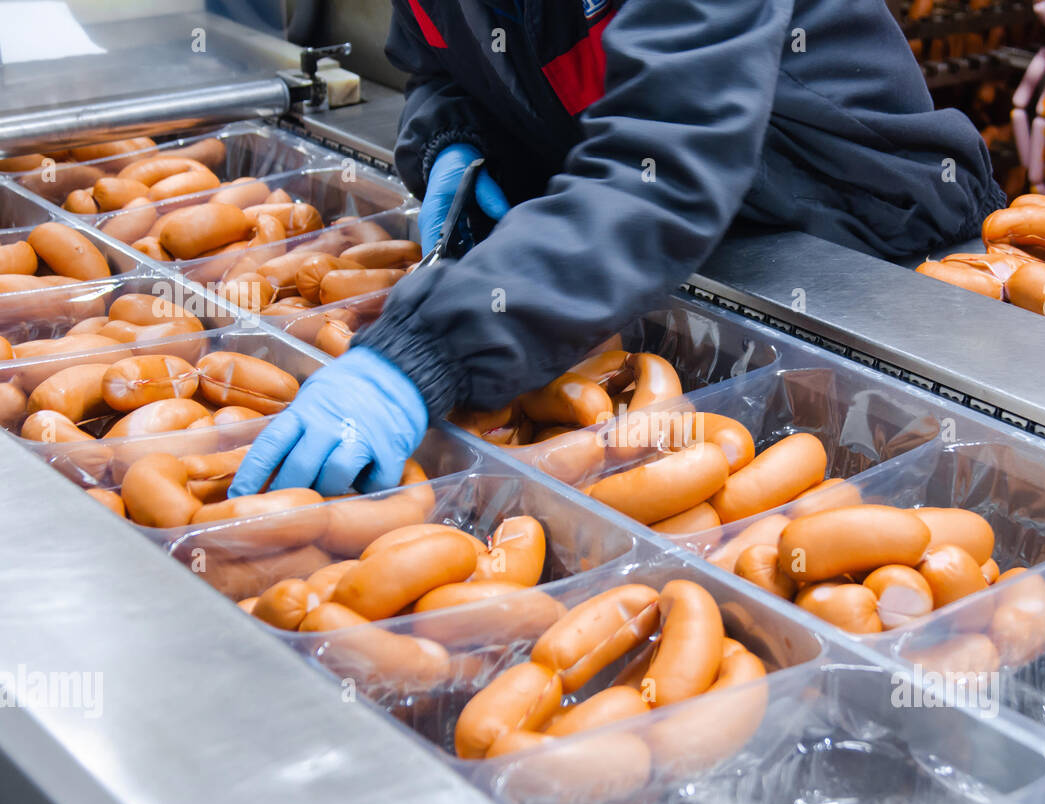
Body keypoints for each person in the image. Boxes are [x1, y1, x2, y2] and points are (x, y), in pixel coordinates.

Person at [231, 0, 1002, 497]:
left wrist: (427, 352)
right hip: (636, 272)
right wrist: (449, 139)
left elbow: (667, 162)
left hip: (854, 251)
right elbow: (441, 60)